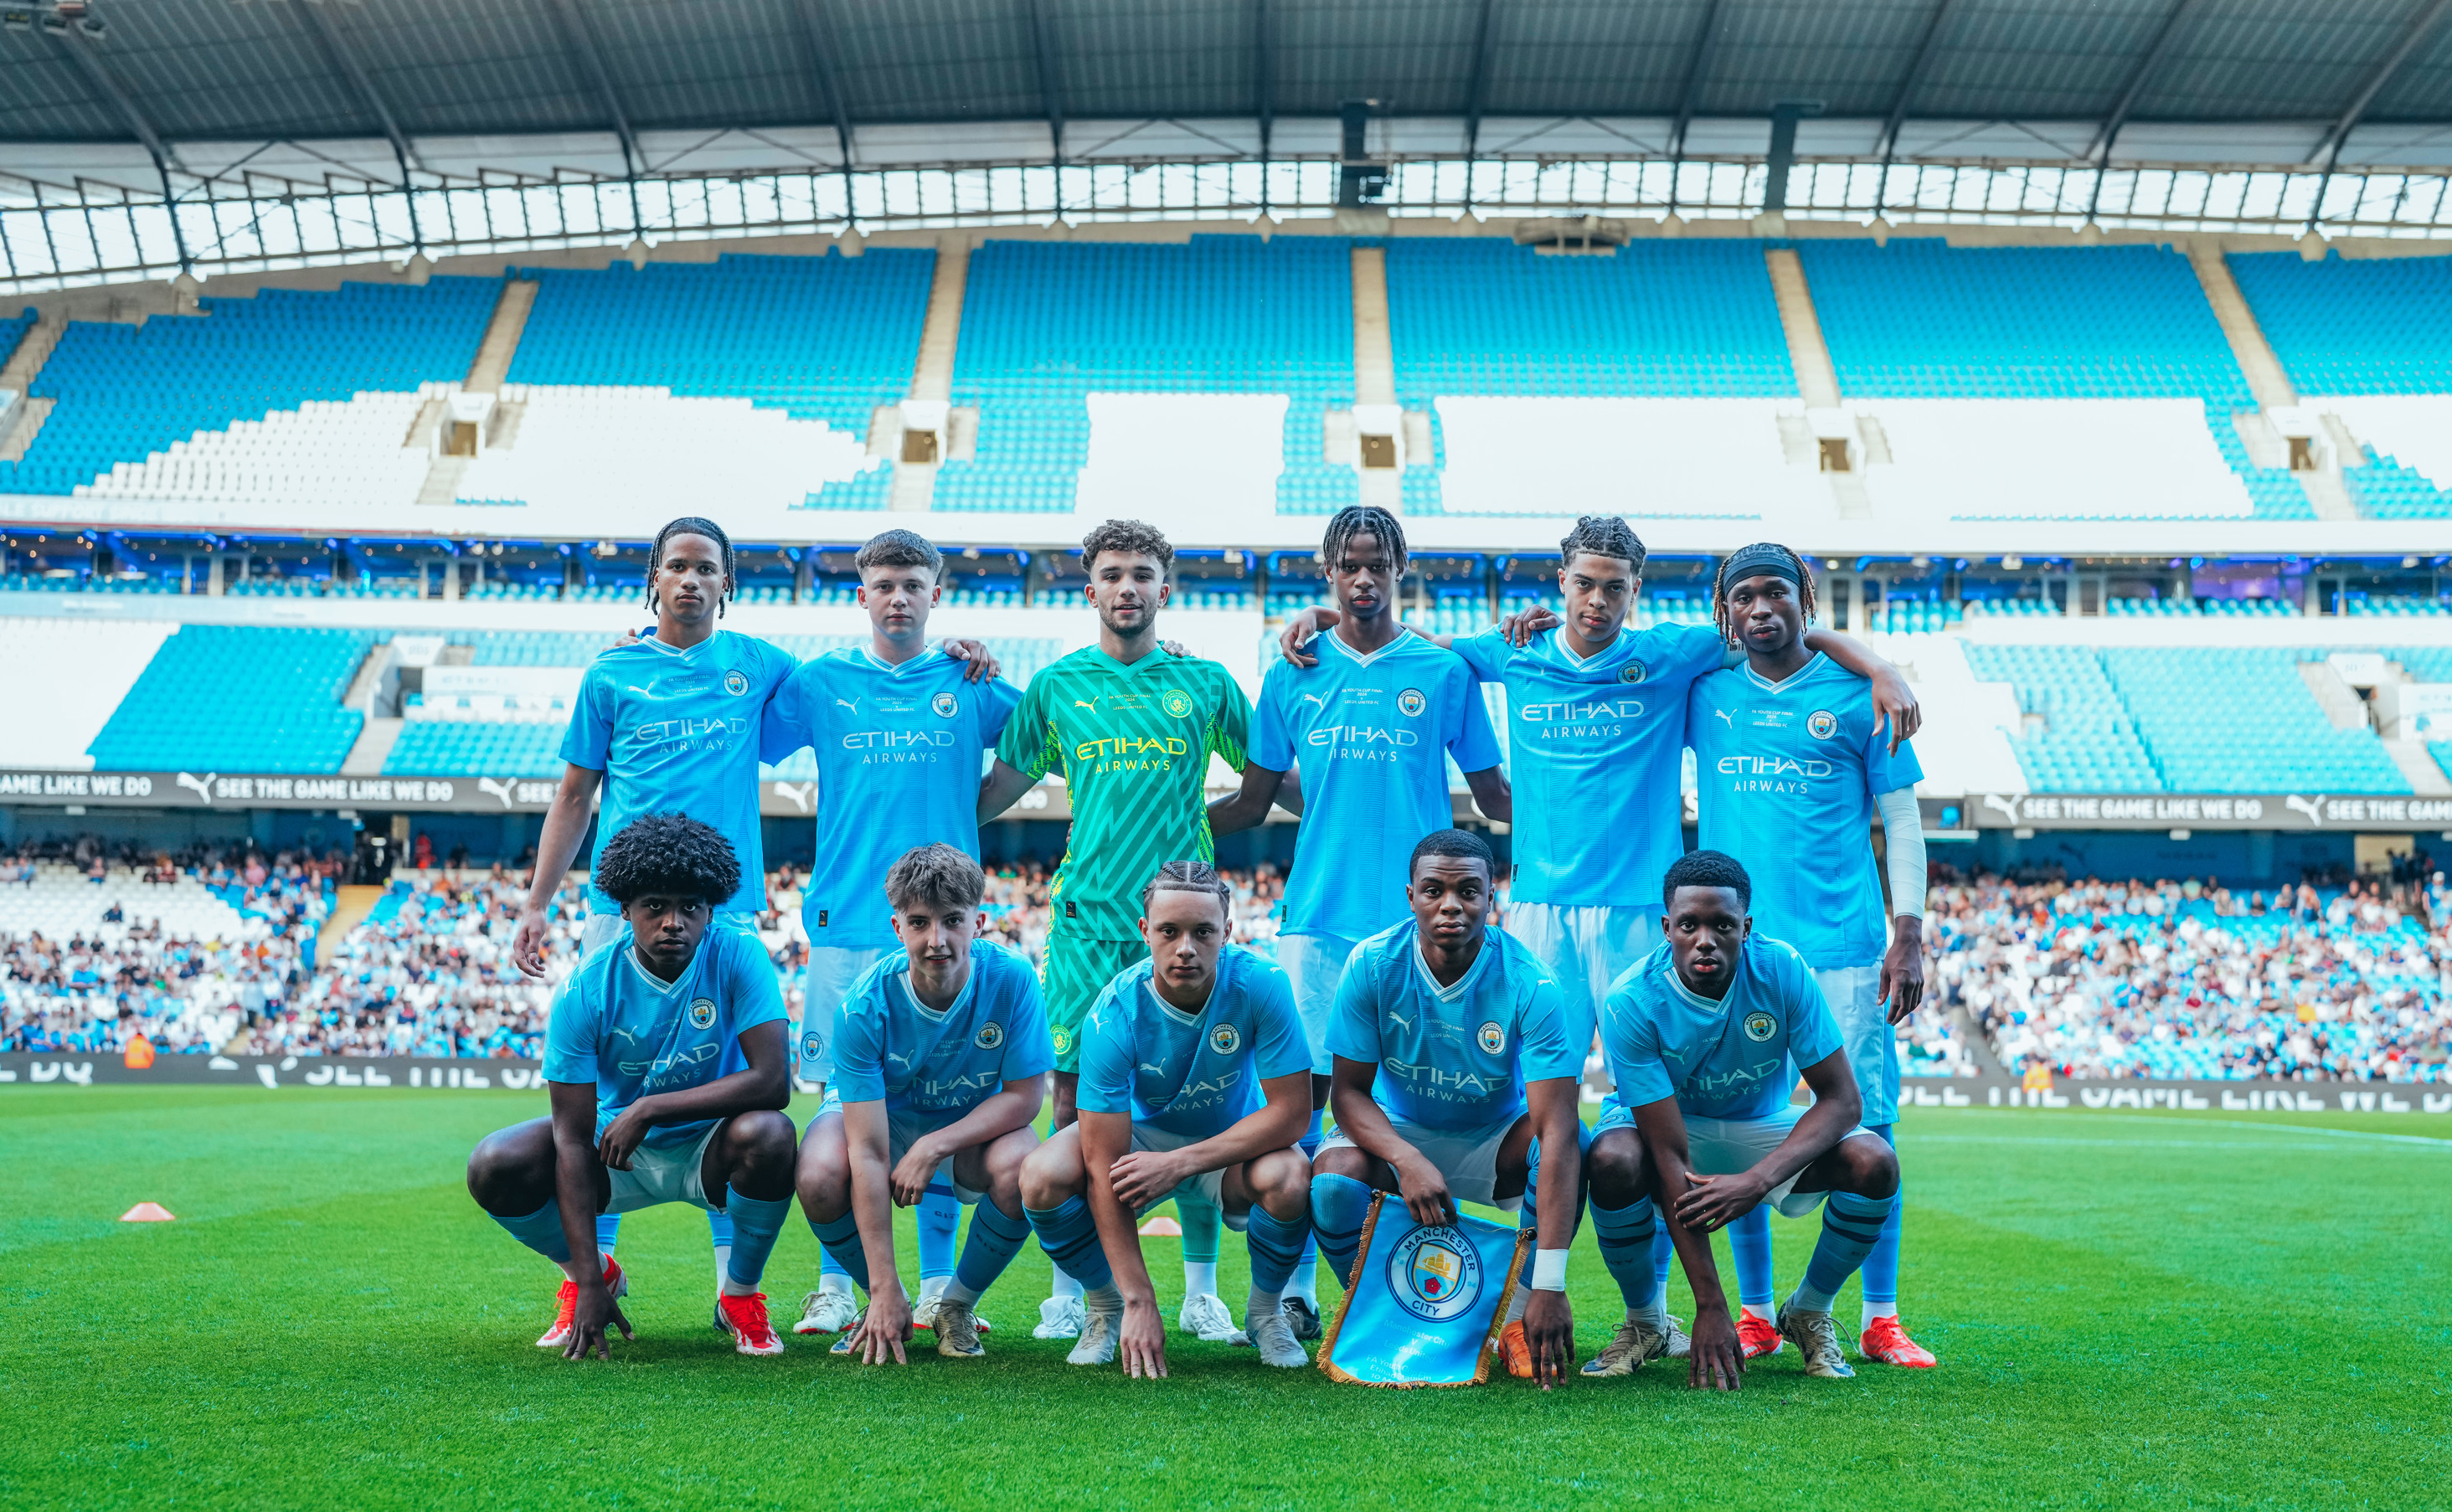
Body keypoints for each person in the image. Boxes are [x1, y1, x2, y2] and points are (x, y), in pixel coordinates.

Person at [1279, 514, 1919, 1351]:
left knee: (1643, 1113)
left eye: (1615, 586)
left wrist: (1879, 662)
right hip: (1540, 908)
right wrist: (1325, 617)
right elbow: (1402, 636)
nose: (1598, 600)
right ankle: (1497, 1303)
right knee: (1521, 1100)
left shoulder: (1673, 653)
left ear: (1634, 592)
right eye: (1585, 583)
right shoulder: (1514, 655)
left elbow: (1778, 633)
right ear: (1561, 584)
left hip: (1631, 915)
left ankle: (1647, 1314)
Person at [1212, 504, 1508, 1341]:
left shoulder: (1443, 672)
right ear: (1329, 573)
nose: (1365, 577)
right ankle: (1292, 1290)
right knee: (1304, 1100)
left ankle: (1422, 1280)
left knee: (1387, 1094)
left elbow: (1492, 797)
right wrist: (1155, 831)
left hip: (1419, 926)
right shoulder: (1292, 674)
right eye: (1350, 565)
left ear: (1402, 568)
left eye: (1380, 562)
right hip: (1317, 918)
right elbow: (1255, 801)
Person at [977, 518, 1255, 1341]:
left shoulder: (1205, 685)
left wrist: (1203, 835)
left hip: (1181, 925)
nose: (1127, 587)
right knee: (1072, 1101)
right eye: (1111, 574)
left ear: (1165, 589)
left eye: (1142, 574)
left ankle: (1201, 1292)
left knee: (1198, 1094)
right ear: (1089, 588)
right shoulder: (1059, 687)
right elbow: (993, 793)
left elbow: (1267, 779)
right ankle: (1074, 1286)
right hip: (1086, 924)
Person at [758, 528, 1023, 1340]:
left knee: (940, 1095)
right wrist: (647, 636)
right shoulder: (821, 683)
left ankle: (942, 1284)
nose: (899, 597)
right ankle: (838, 1283)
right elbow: (748, 728)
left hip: (942, 922)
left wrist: (964, 816)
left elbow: (1036, 748)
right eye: (884, 585)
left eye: (913, 583)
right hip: (849, 926)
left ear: (936, 592)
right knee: (850, 1110)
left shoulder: (969, 680)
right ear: (862, 594)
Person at [1687, 543, 1935, 1369]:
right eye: (1744, 596)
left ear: (1808, 599)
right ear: (1725, 612)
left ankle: (1878, 1316)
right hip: (1741, 954)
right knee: (1749, 1123)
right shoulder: (1706, 691)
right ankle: (1757, 1314)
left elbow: (1900, 819)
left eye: (1777, 593)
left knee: (1874, 1123)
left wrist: (1909, 927)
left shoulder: (1861, 697)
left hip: (1845, 947)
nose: (1762, 609)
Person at [463, 813, 798, 1360]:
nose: (673, 922)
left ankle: (739, 1296)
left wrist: (650, 1108)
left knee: (773, 1134)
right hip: (615, 1152)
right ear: (625, 909)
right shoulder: (586, 988)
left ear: (710, 908)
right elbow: (571, 1140)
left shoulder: (739, 955)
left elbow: (772, 1081)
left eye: (690, 907)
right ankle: (587, 1276)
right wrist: (590, 1279)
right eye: (655, 906)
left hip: (710, 1145)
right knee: (495, 1162)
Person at [1584, 851, 1900, 1386]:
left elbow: (1843, 1100)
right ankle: (1646, 1321)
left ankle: (1808, 1311)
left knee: (1874, 1162)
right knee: (1612, 1157)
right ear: (1667, 928)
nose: (1704, 939)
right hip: (1670, 1131)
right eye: (1689, 925)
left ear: (1746, 928)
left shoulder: (1781, 969)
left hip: (1759, 1125)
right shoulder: (1631, 999)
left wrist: (1756, 1182)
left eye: (1722, 925)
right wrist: (1711, 1305)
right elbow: (1668, 1154)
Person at [1308, 829, 1584, 1388]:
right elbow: (1349, 1094)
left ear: (1491, 896)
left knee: (1569, 1136)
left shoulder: (1531, 981)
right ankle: (1384, 1311)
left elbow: (1555, 1129)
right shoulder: (1372, 965)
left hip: (1495, 1139)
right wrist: (1406, 1159)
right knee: (1332, 1183)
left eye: (1467, 891)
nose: (1450, 904)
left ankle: (1516, 1316)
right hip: (1402, 1131)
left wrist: (1552, 1284)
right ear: (1411, 895)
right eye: (1434, 890)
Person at [1020, 860, 1316, 1374]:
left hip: (1230, 1146)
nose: (1185, 948)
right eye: (1169, 931)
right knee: (1041, 1176)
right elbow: (1101, 1161)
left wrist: (1178, 1162)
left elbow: (1293, 1115)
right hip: (1139, 1144)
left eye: (1203, 932)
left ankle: (1266, 1313)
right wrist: (1139, 1299)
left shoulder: (1263, 984)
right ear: (1145, 932)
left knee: (1290, 1175)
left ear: (1227, 931)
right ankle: (1106, 1306)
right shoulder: (1113, 1011)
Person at [794, 844, 1050, 1362]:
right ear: (897, 928)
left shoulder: (1014, 978)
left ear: (978, 922)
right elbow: (866, 1150)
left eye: (952, 921)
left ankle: (955, 1305)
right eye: (919, 923)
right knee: (819, 1172)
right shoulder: (864, 1005)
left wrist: (934, 1146)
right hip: (881, 1119)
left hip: (961, 1124)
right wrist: (884, 1283)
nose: (937, 940)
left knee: (1025, 1164)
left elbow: (1024, 1100)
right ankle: (883, 1301)